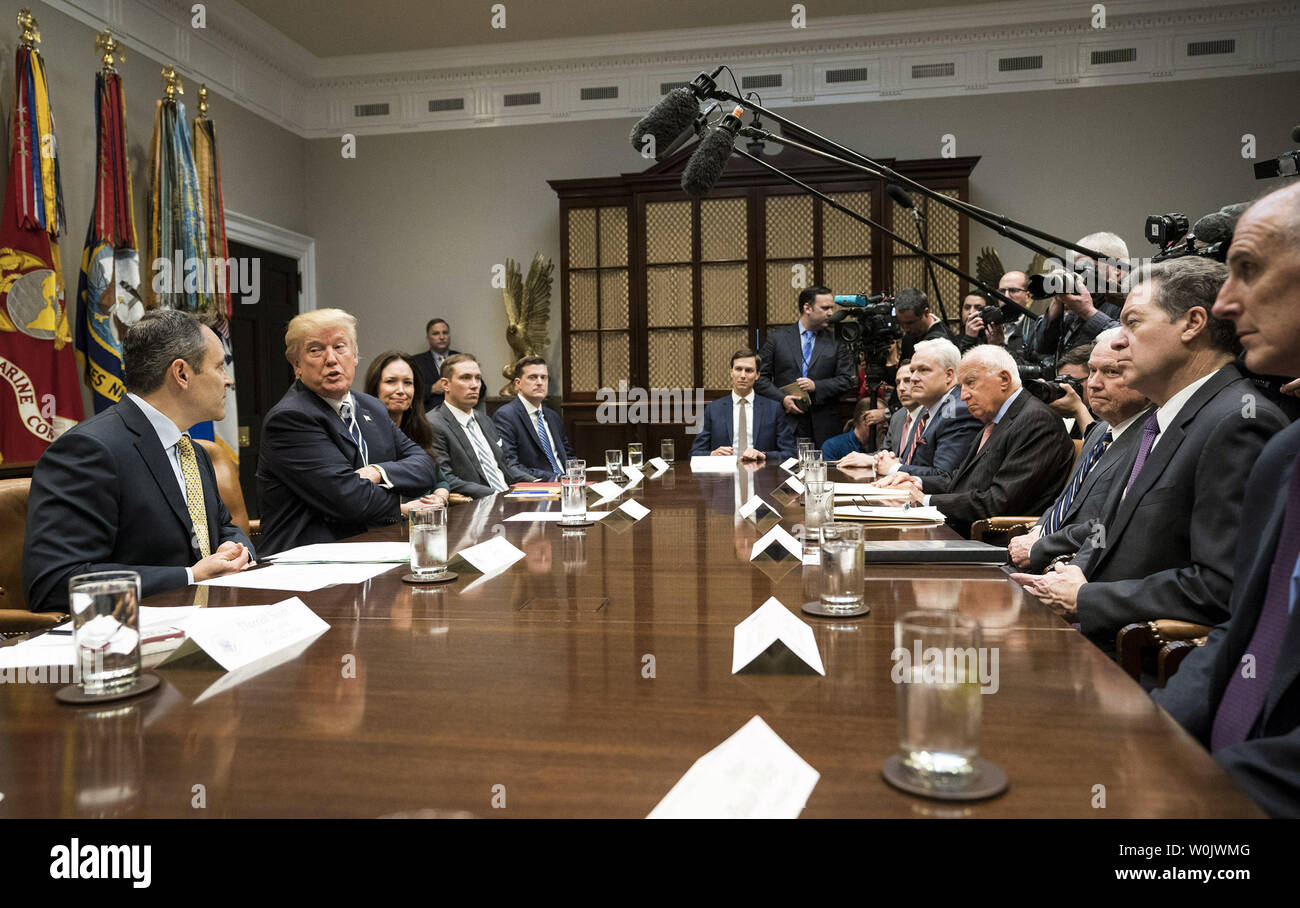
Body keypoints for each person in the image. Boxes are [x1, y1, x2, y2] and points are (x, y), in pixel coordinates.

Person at [1011, 257, 1287, 657]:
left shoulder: (1239, 421)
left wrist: (1087, 598)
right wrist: (1069, 576)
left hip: (1139, 661)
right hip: (1088, 633)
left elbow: (1221, 586)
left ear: (1192, 324)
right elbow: (1116, 536)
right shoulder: (1160, 419)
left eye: (1132, 322)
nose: (1118, 340)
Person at [1152, 182, 1300, 817]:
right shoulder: (1285, 455)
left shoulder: (1245, 423)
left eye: (1247, 270)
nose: (1225, 302)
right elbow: (1237, 643)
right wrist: (1139, 738)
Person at [24, 310, 253, 612]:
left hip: (211, 621)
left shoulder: (191, 449)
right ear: (181, 373)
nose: (228, 380)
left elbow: (223, 526)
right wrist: (189, 576)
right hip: (128, 637)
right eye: (219, 366)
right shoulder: (89, 450)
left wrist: (235, 550)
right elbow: (55, 582)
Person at [257, 309, 446, 556]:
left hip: (373, 546)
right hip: (310, 558)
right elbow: (349, 498)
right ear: (297, 364)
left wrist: (378, 472)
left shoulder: (372, 407)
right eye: (315, 350)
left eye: (340, 347)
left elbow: (424, 466)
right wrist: (403, 505)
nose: (331, 359)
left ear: (355, 355)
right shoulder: (291, 417)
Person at [876, 344, 1074, 538]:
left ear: (1004, 380)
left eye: (970, 383)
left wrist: (925, 500)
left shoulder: (1036, 421)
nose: (963, 395)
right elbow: (961, 480)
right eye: (961, 387)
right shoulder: (996, 419)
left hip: (993, 544)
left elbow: (998, 502)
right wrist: (916, 482)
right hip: (963, 531)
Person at [1008, 328, 1152, 572]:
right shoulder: (1099, 431)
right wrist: (1037, 530)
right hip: (1043, 560)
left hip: (1079, 570)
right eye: (1092, 371)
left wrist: (1040, 546)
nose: (1093, 384)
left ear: (1146, 377)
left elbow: (1111, 523)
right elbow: (1065, 502)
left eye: (1111, 372)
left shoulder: (1151, 437)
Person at [754, 286, 856, 447]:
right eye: (825, 308)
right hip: (786, 422)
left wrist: (816, 386)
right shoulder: (777, 339)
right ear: (807, 308)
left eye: (832, 308)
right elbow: (760, 379)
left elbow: (847, 380)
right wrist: (783, 399)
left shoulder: (837, 340)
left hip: (825, 425)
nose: (831, 313)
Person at [870, 338, 980, 482]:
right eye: (912, 371)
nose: (914, 378)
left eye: (923, 370)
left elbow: (945, 477)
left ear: (949, 375)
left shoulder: (958, 411)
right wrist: (888, 460)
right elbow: (913, 463)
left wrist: (894, 468)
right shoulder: (926, 409)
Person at [429, 354, 538, 498]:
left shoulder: (484, 419)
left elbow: (506, 466)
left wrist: (536, 483)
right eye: (465, 378)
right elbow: (447, 479)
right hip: (479, 505)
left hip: (509, 498)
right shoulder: (433, 424)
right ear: (445, 384)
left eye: (478, 378)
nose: (474, 385)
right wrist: (499, 494)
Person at [1030, 232, 1127, 366]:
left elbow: (1129, 342)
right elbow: (1043, 347)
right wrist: (1057, 301)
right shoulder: (1086, 299)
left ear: (1117, 268)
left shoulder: (1137, 299)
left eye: (1085, 268)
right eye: (1074, 269)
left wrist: (1088, 312)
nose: (1078, 275)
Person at [693, 349, 795, 462]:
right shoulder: (713, 409)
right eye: (738, 369)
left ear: (757, 375)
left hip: (762, 476)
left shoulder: (774, 409)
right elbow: (695, 453)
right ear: (731, 372)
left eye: (749, 370)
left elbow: (790, 454)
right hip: (724, 477)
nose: (743, 375)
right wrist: (712, 454)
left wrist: (764, 455)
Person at [492, 355, 575, 480]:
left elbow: (568, 456)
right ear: (518, 384)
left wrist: (577, 475)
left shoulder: (553, 416)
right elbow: (511, 466)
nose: (540, 382)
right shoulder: (506, 416)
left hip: (568, 485)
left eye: (544, 377)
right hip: (538, 488)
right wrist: (556, 478)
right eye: (533, 377)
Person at [364, 351, 436, 454]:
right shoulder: (360, 435)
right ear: (375, 387)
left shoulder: (423, 433)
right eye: (391, 381)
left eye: (407, 383)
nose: (401, 390)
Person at [412, 318, 460, 411]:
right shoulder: (416, 362)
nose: (442, 337)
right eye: (436, 333)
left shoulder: (461, 359)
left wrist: (456, 387)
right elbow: (411, 389)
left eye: (445, 333)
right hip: (428, 415)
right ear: (428, 338)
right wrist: (431, 389)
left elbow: (481, 388)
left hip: (459, 414)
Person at [895, 287, 953, 360]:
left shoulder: (941, 342)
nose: (905, 329)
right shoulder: (909, 336)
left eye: (910, 323)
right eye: (901, 323)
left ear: (926, 312)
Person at [823, 398, 886, 462]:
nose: (886, 425)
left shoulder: (886, 446)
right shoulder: (833, 447)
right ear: (865, 419)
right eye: (881, 421)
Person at [883, 361, 921, 456]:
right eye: (898, 383)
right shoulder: (897, 417)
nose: (901, 388)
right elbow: (884, 453)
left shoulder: (931, 415)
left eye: (907, 380)